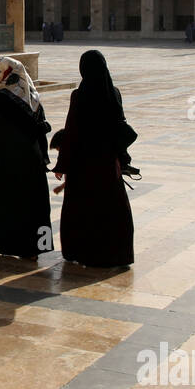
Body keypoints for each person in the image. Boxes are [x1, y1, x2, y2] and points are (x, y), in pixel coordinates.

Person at [52, 50, 134, 268]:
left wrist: (62, 164)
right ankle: (116, 253)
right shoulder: (113, 93)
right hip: (107, 162)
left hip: (83, 164)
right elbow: (120, 125)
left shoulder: (79, 96)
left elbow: (72, 132)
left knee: (83, 210)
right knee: (111, 209)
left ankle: (84, 251)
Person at [0, 57, 52, 261]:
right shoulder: (31, 96)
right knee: (33, 206)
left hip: (8, 162)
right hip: (32, 160)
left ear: (5, 75)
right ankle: (33, 249)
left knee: (1, 204)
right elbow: (41, 131)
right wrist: (43, 159)